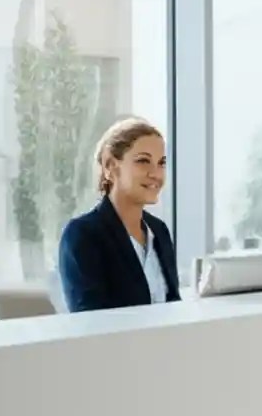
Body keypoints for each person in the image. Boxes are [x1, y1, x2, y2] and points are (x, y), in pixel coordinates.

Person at [59, 117, 181, 312]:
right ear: (110, 166)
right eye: (143, 161)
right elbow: (89, 321)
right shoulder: (83, 235)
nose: (156, 173)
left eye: (161, 163)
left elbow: (173, 304)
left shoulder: (159, 231)